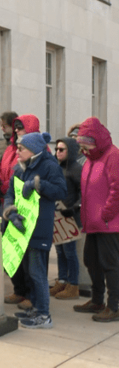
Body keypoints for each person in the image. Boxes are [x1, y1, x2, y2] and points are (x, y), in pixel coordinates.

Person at [3, 132, 67, 329]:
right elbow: (10, 194)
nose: (17, 151)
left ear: (33, 150)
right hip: (21, 228)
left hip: (38, 228)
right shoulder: (20, 168)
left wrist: (38, 184)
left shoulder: (49, 166)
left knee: (37, 273)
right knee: (28, 273)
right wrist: (11, 213)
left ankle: (44, 315)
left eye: (21, 148)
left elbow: (61, 191)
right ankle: (36, 307)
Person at [74, 117, 119, 322]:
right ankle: (97, 300)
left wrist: (106, 214)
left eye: (86, 145)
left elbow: (117, 189)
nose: (84, 149)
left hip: (108, 223)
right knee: (91, 261)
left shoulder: (113, 155)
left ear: (96, 141)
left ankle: (114, 305)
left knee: (110, 264)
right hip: (93, 222)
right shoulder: (90, 158)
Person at [0, 114, 40, 308]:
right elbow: (7, 172)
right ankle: (19, 289)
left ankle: (31, 294)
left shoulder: (39, 150)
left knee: (29, 257)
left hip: (29, 209)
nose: (16, 130)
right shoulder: (11, 148)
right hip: (10, 202)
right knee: (11, 251)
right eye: (15, 127)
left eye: (20, 127)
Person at [49, 137, 82, 300]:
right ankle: (62, 280)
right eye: (56, 149)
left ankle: (73, 285)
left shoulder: (76, 169)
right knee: (60, 251)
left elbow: (83, 192)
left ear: (70, 151)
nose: (57, 152)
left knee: (70, 252)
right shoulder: (56, 167)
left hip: (70, 217)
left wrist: (75, 207)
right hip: (57, 215)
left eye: (61, 149)